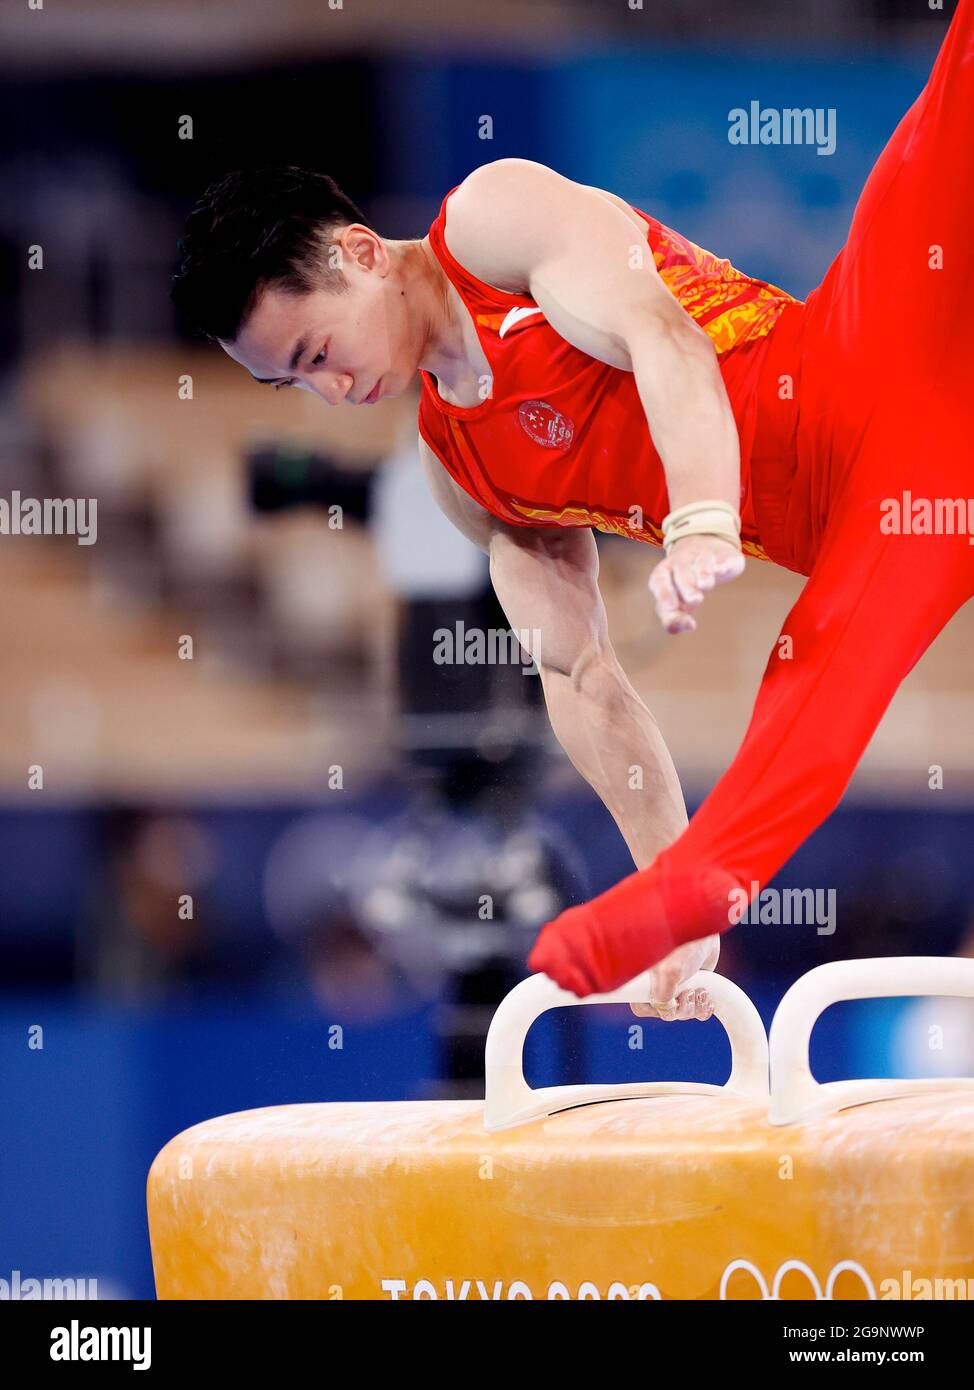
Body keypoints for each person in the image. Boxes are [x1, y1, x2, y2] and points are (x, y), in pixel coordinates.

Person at [171, 0, 974, 1009]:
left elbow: (661, 336)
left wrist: (699, 520)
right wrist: (659, 869)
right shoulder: (465, 472)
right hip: (892, 524)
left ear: (360, 254)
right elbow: (582, 677)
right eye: (295, 385)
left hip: (880, 357)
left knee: (954, 105)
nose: (328, 393)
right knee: (806, 704)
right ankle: (683, 896)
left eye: (315, 352)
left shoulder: (493, 220)